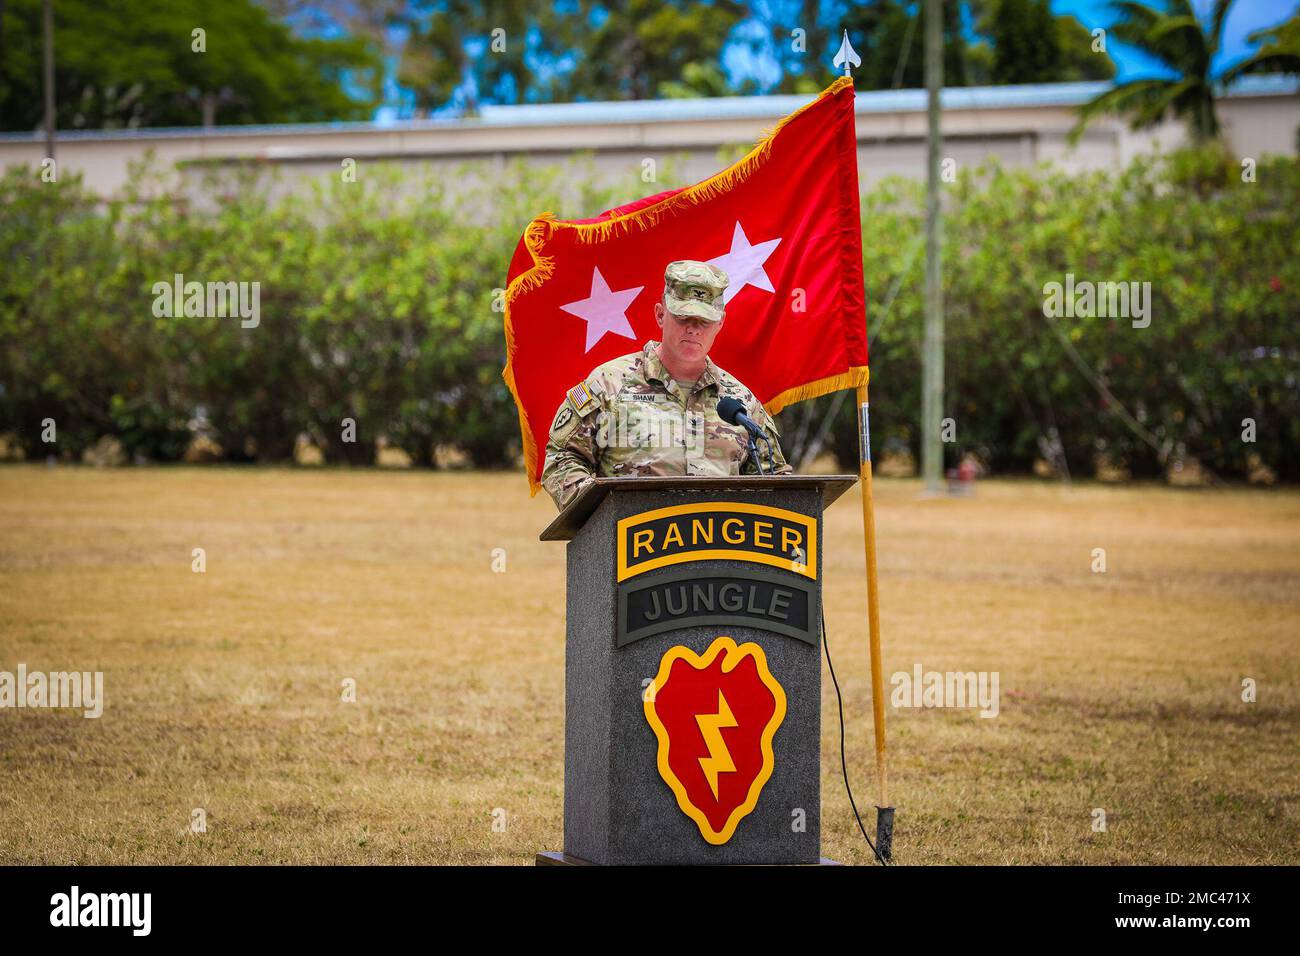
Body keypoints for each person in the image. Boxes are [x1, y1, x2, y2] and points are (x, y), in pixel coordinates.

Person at [541, 260, 792, 510]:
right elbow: (562, 458)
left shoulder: (740, 402)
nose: (694, 329)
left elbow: (774, 478)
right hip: (629, 541)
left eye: (704, 320)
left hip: (721, 545)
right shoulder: (609, 385)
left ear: (720, 323)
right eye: (683, 317)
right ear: (660, 315)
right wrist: (601, 513)